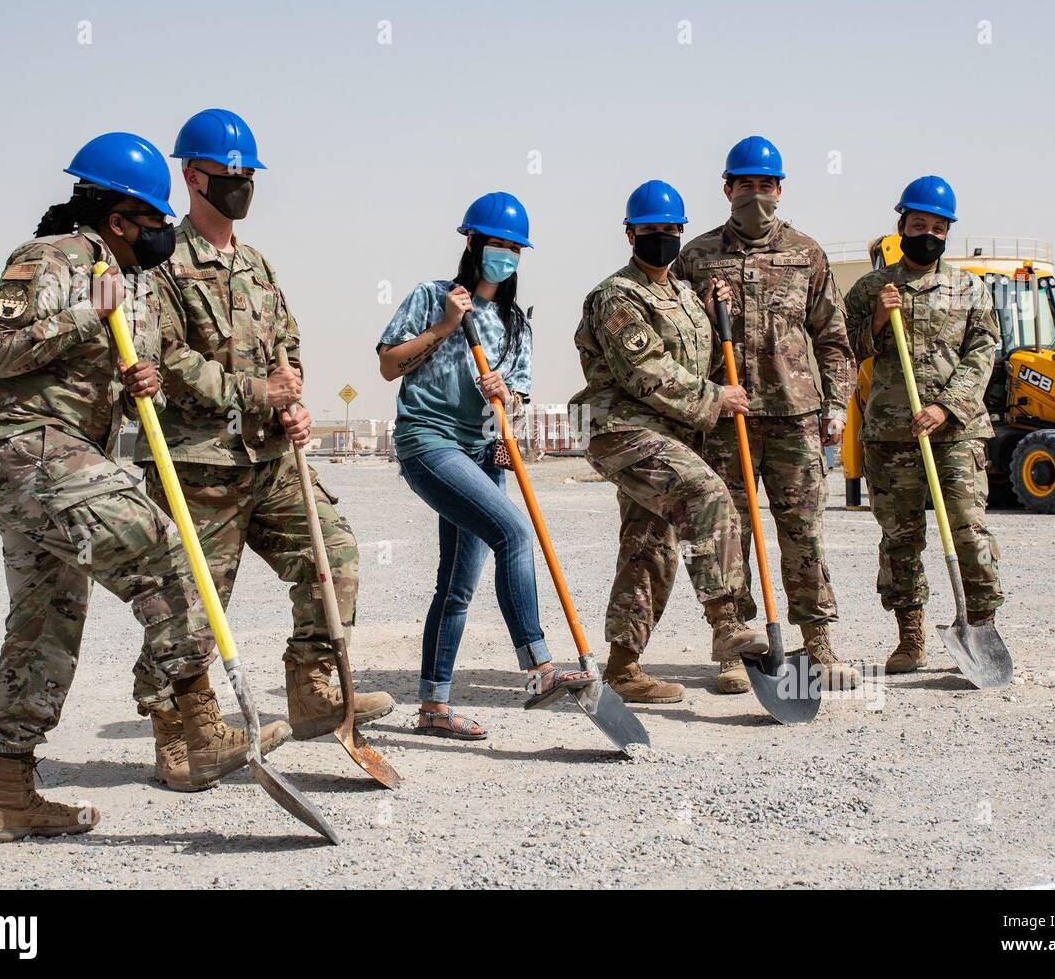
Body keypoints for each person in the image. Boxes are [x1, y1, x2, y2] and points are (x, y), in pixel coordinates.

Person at [0, 132, 287, 841]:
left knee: (47, 618)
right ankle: (201, 725)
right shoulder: (47, 259)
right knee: (164, 546)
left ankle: (13, 794)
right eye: (154, 223)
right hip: (21, 445)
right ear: (118, 218)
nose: (163, 236)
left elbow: (114, 365)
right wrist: (86, 315)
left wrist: (132, 374)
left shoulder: (132, 284)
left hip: (62, 454)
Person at [129, 109, 393, 787]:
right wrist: (256, 391)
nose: (242, 184)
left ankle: (314, 693)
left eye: (249, 175)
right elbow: (167, 358)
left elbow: (288, 348)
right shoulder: (163, 261)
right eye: (230, 174)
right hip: (200, 463)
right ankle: (180, 739)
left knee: (331, 553)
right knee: (188, 604)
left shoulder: (257, 264)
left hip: (270, 458)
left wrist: (294, 402)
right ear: (193, 177)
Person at [377, 192, 592, 739]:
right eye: (495, 244)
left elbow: (517, 399)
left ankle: (433, 707)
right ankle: (540, 668)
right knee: (514, 534)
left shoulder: (516, 323)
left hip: (482, 449)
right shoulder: (432, 297)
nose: (504, 255)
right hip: (429, 441)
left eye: (514, 248)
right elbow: (387, 365)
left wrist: (507, 395)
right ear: (471, 243)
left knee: (456, 584)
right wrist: (446, 327)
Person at [673, 136, 859, 692]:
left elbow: (834, 338)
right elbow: (678, 336)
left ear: (781, 189)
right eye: (746, 185)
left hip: (794, 416)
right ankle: (733, 640)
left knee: (802, 530)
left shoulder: (807, 253)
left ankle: (817, 639)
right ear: (727, 190)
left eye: (766, 185)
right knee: (726, 533)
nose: (757, 195)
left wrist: (837, 405)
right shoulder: (696, 257)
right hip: (726, 418)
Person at [570, 181, 763, 704]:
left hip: (666, 434)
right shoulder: (616, 296)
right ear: (630, 233)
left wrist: (712, 316)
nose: (661, 238)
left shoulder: (684, 298)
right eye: (650, 230)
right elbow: (646, 371)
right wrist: (715, 397)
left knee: (649, 547)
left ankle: (622, 667)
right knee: (705, 494)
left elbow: (698, 359)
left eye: (670, 230)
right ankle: (727, 619)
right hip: (619, 430)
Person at [842, 176, 1004, 671]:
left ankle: (979, 627)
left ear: (947, 232)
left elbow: (983, 352)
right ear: (901, 226)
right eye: (918, 224)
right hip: (892, 434)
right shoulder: (873, 288)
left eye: (937, 227)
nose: (927, 233)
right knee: (900, 539)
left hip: (955, 432)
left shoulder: (969, 288)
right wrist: (873, 320)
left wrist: (946, 406)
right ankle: (910, 636)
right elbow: (845, 351)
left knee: (969, 532)